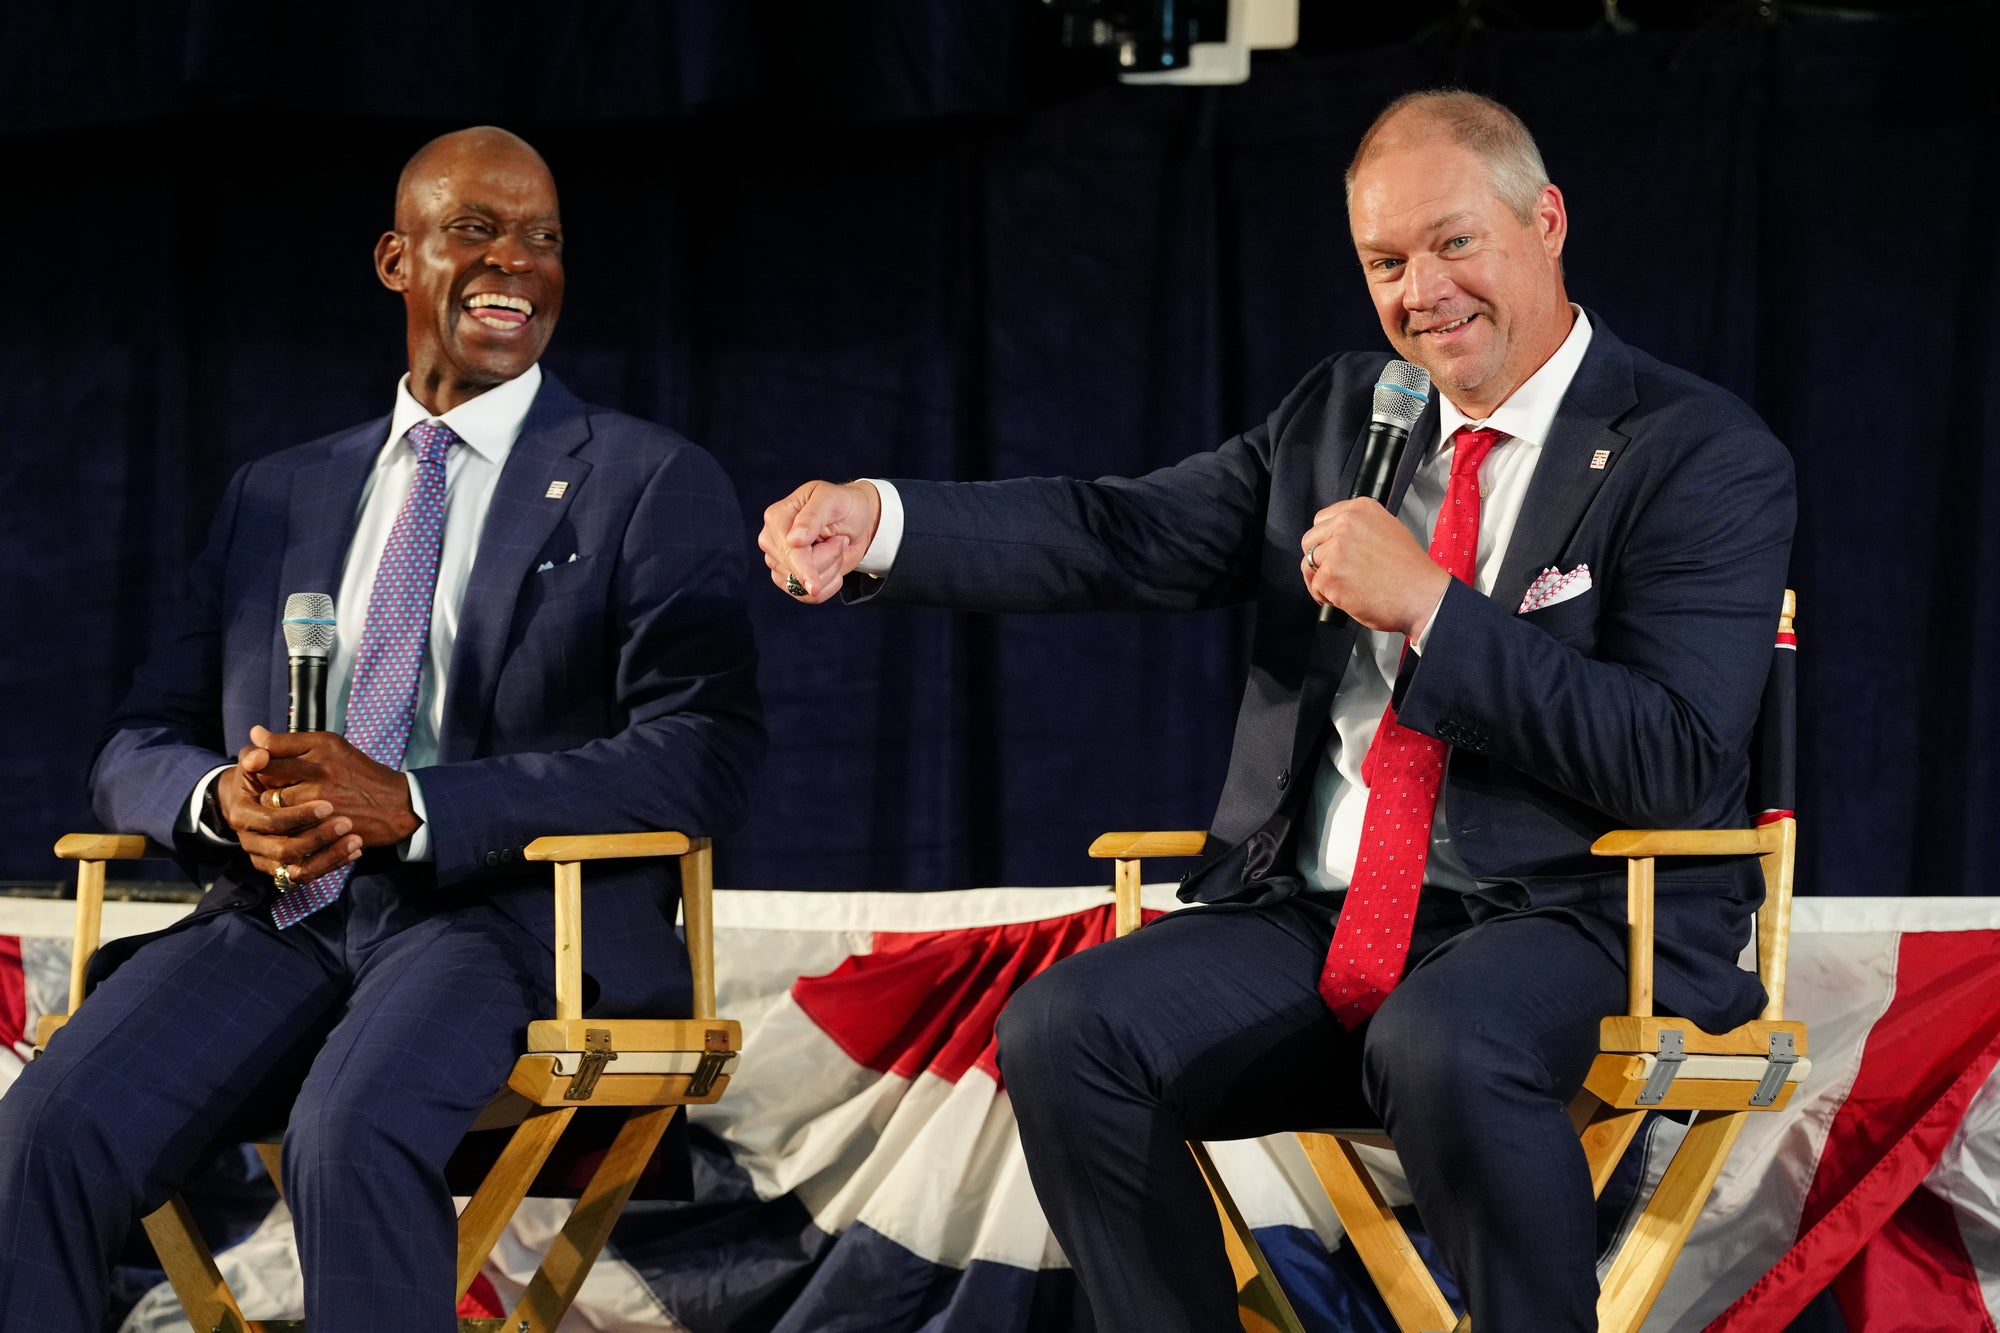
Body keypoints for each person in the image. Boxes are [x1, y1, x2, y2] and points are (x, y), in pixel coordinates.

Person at [756, 91, 1793, 1331]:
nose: (1422, 293)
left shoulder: (1692, 450)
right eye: (1385, 263)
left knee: (1440, 1041)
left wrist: (1434, 612)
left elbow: (1672, 758)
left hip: (1574, 918)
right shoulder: (1345, 416)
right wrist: (884, 521)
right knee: (1067, 1028)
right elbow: (1117, 533)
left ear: (1545, 220)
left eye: (1452, 244)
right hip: (1328, 914)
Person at [0, 126, 764, 1330]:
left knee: (352, 1130)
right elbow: (139, 736)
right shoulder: (280, 491)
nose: (517, 260)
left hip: (501, 918)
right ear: (394, 259)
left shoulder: (643, 479)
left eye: (545, 237)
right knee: (47, 1131)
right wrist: (218, 802)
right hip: (284, 912)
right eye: (476, 229)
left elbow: (704, 751)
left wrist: (419, 807)